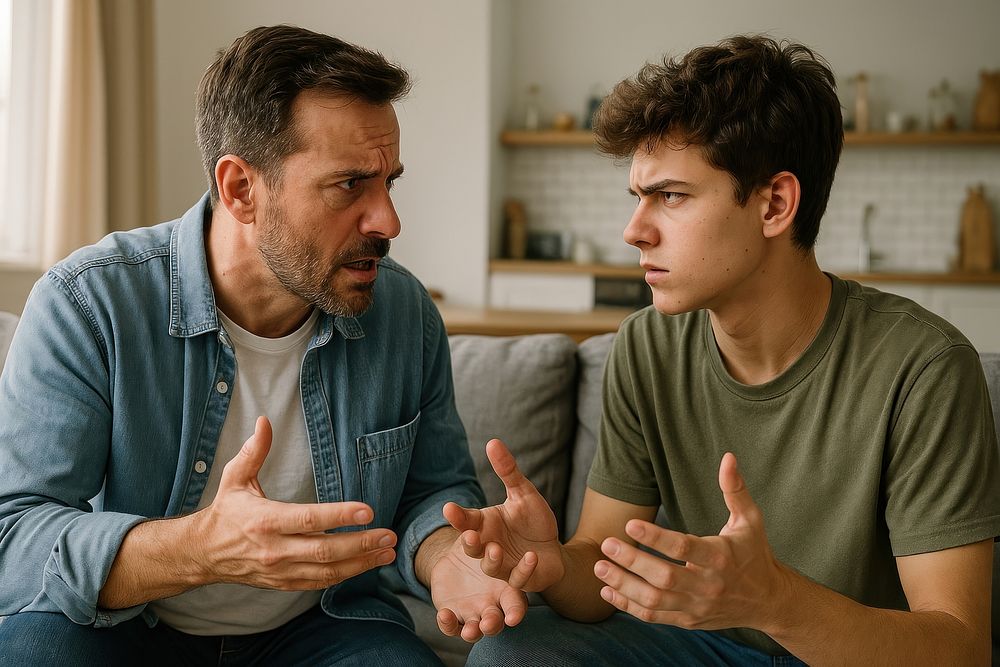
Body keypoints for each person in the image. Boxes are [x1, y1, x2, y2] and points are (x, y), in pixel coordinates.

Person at [450, 35, 1000, 665]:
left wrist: (773, 601)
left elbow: (961, 649)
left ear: (775, 204)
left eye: (671, 196)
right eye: (638, 197)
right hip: (700, 652)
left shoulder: (924, 368)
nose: (634, 231)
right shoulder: (646, 346)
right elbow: (600, 583)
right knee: (511, 653)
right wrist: (550, 565)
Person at [0, 25, 527, 666]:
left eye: (389, 182)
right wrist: (199, 548)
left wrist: (450, 557)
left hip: (323, 629)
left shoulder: (404, 314)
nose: (388, 220)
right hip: (118, 631)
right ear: (241, 189)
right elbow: (14, 535)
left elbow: (431, 492)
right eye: (349, 185)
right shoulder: (90, 303)